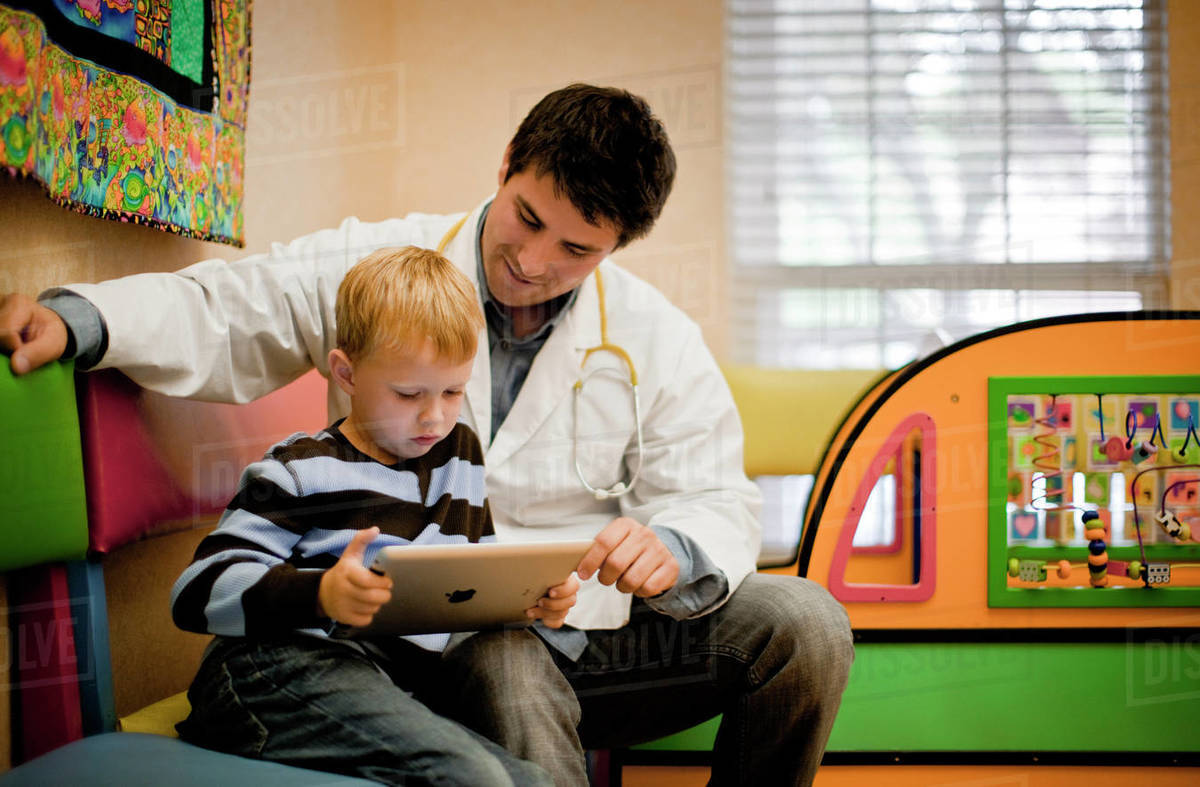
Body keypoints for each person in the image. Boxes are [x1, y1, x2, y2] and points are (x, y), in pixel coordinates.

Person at [0, 83, 854, 785]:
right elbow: (234, 306)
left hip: (597, 635)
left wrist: (670, 546)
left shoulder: (655, 335)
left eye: (576, 248)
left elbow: (717, 498)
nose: (533, 261)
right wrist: (83, 319)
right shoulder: (391, 265)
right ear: (507, 166)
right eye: (526, 217)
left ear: (616, 245)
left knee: (806, 622)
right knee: (513, 666)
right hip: (454, 649)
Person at [170, 246, 568, 785]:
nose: (435, 416)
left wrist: (525, 600)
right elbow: (195, 592)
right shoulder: (300, 469)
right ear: (347, 374)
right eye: (408, 394)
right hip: (274, 671)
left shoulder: (459, 454)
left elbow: (462, 595)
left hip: (381, 683)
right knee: (474, 777)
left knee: (528, 781)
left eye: (454, 391)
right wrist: (322, 594)